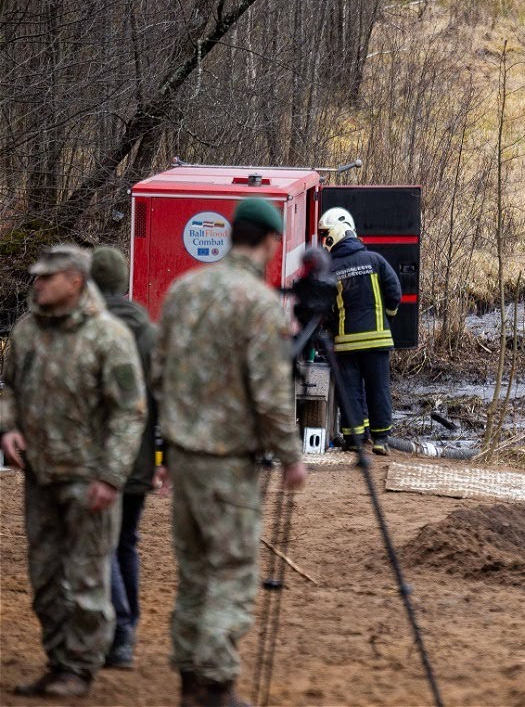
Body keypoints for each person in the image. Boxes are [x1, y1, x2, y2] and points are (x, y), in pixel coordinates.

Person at [153, 197, 307, 707]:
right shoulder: (257, 302)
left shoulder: (183, 290)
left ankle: (189, 677)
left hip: (182, 452)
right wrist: (291, 456)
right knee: (233, 567)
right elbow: (269, 391)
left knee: (194, 567)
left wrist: (164, 443)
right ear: (268, 242)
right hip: (226, 458)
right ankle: (216, 683)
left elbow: (159, 372)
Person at [0, 244, 147, 698]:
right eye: (37, 277)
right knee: (45, 577)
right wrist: (7, 428)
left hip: (89, 478)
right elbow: (8, 388)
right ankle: (58, 659)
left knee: (87, 577)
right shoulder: (26, 333)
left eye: (49, 277)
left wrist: (111, 476)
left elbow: (130, 412)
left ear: (76, 282)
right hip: (41, 476)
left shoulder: (109, 337)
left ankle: (79, 667)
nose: (38, 283)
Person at [90, 245, 161, 669]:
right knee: (126, 542)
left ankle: (119, 630)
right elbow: (164, 393)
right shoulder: (147, 331)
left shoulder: (93, 328)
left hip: (102, 454)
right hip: (140, 456)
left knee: (102, 545)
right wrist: (163, 453)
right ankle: (127, 622)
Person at [318, 207, 402, 455]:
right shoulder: (376, 261)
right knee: (378, 389)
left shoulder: (330, 270)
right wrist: (387, 318)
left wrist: (333, 330)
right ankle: (381, 441)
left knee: (351, 391)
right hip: (378, 341)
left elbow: (324, 308)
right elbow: (394, 292)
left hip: (346, 345)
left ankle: (355, 440)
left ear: (334, 236)